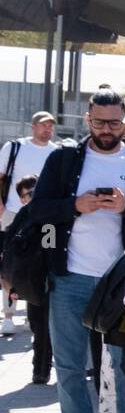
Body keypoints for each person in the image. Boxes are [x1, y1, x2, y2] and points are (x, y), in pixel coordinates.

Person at [26, 87, 125, 413]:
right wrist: (73, 207)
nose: (107, 129)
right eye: (99, 122)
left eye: (114, 122)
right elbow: (37, 213)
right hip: (70, 278)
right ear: (87, 120)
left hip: (122, 283)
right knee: (69, 366)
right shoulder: (64, 160)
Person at [0, 110, 58, 352]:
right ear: (33, 126)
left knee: (43, 260)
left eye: (51, 126)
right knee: (10, 264)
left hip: (44, 217)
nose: (48, 129)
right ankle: (9, 315)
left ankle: (35, 311)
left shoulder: (57, 151)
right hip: (14, 212)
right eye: (43, 125)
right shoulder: (14, 147)